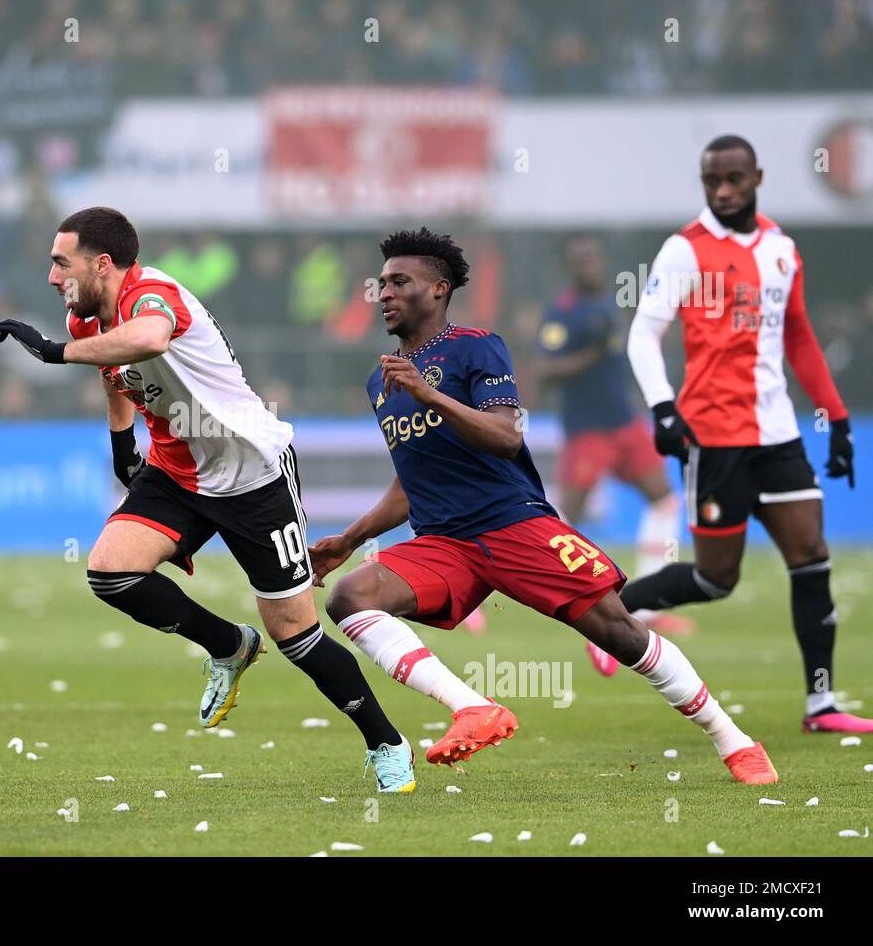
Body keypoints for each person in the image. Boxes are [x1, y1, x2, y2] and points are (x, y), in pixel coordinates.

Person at [310, 227, 777, 784]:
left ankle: (735, 740)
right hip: (443, 543)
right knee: (350, 596)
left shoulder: (477, 346)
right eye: (381, 282)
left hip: (514, 525)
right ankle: (473, 709)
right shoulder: (381, 382)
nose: (382, 292)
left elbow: (507, 437)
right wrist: (352, 538)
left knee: (621, 633)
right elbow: (411, 481)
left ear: (438, 289)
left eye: (398, 281)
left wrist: (431, 394)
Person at [0, 206, 417, 791]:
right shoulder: (87, 314)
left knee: (296, 633)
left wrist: (53, 352)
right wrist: (121, 441)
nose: (52, 276)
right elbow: (114, 367)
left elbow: (148, 338)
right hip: (176, 469)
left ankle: (386, 743)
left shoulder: (153, 294)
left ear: (103, 264)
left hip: (251, 474)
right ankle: (228, 645)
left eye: (61, 263)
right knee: (111, 572)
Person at [623, 134, 870, 734]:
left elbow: (800, 338)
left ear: (757, 176)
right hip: (713, 437)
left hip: (780, 434)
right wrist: (662, 409)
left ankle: (821, 704)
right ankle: (615, 613)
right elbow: (643, 335)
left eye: (735, 179)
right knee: (715, 579)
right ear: (704, 183)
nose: (725, 191)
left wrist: (835, 418)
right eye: (713, 181)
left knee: (811, 558)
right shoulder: (684, 250)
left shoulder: (782, 247)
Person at [538, 233, 692, 678]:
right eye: (580, 260)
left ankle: (648, 604)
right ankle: (562, 598)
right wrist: (591, 351)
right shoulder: (563, 313)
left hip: (624, 424)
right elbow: (547, 369)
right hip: (586, 431)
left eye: (593, 258)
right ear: (570, 266)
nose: (589, 266)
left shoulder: (608, 305)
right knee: (565, 520)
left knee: (664, 498)